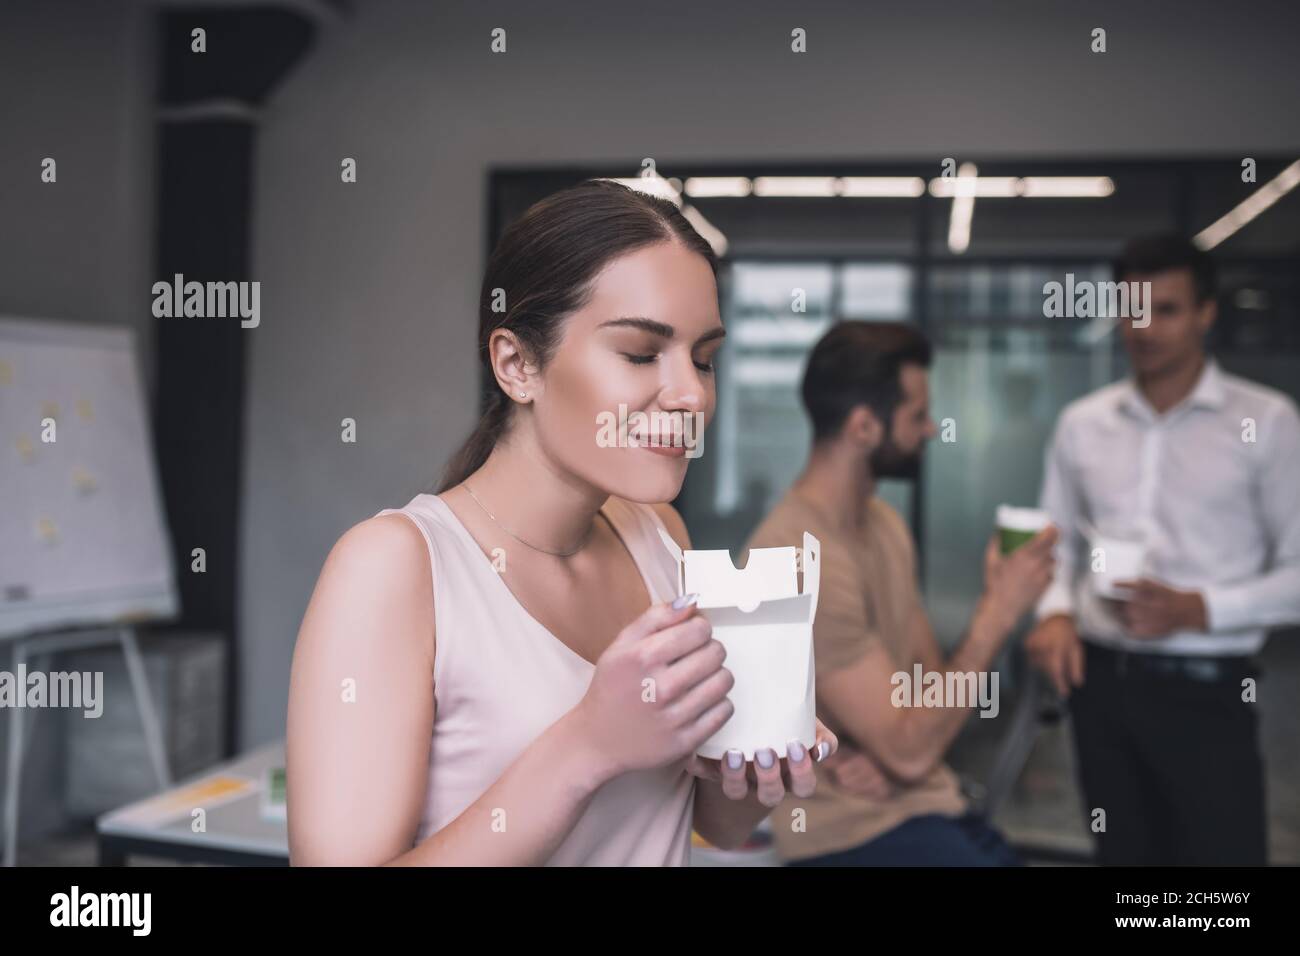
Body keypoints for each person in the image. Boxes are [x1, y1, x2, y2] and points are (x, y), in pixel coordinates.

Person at [286, 179, 837, 866]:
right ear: (517, 364)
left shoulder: (659, 538)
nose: (692, 394)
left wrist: (756, 767)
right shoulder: (394, 567)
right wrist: (587, 745)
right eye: (640, 353)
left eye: (703, 359)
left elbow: (708, 826)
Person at [1025, 233, 1300, 866]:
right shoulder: (1081, 423)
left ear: (1206, 312)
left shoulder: (1267, 421)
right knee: (1126, 867)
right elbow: (1053, 545)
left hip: (1208, 693)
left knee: (1217, 883)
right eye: (1131, 307)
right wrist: (1056, 612)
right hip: (1102, 687)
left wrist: (1197, 609)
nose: (1143, 327)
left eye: (1167, 309)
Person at [743, 321, 1057, 866]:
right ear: (864, 427)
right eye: (917, 415)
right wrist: (997, 612)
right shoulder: (796, 555)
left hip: (915, 804)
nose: (932, 429)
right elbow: (915, 744)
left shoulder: (884, 524)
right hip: (846, 833)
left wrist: (893, 751)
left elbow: (927, 700)